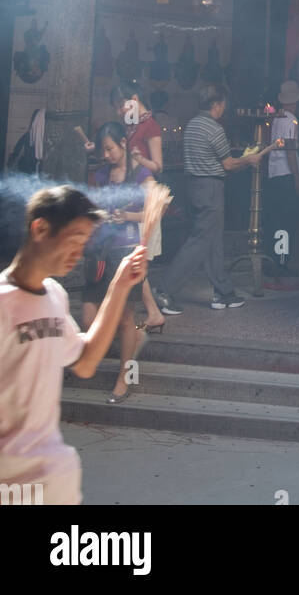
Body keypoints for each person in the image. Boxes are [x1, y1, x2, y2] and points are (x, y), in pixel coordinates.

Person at [0, 186, 146, 504]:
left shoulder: (55, 296)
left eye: (85, 242)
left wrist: (120, 285)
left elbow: (85, 361)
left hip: (54, 478)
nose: (79, 252)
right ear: (40, 228)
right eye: (74, 238)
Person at [155, 83, 280, 314]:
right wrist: (248, 160)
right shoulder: (214, 129)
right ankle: (164, 291)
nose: (224, 108)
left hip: (193, 186)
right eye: (223, 104)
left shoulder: (192, 125)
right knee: (199, 242)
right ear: (216, 104)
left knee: (212, 242)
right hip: (211, 187)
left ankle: (223, 293)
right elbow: (228, 164)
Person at [82, 123, 156, 401]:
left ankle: (123, 377)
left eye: (110, 148)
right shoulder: (101, 174)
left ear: (123, 144)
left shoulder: (140, 174)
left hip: (126, 253)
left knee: (126, 319)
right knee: (89, 317)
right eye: (103, 150)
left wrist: (127, 217)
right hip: (99, 253)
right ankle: (135, 341)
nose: (107, 154)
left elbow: (154, 211)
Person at [110, 81, 165, 329]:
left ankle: (151, 314)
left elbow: (158, 166)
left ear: (133, 98)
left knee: (134, 259)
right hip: (131, 197)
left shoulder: (150, 126)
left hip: (145, 196)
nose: (119, 111)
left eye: (121, 105)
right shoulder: (131, 125)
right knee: (133, 260)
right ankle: (150, 314)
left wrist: (139, 158)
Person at [264, 80, 299, 275]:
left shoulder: (278, 118)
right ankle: (281, 263)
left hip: (275, 173)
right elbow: (290, 150)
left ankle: (273, 261)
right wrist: (298, 180)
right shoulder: (290, 119)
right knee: (287, 222)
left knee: (276, 219)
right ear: (296, 101)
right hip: (287, 175)